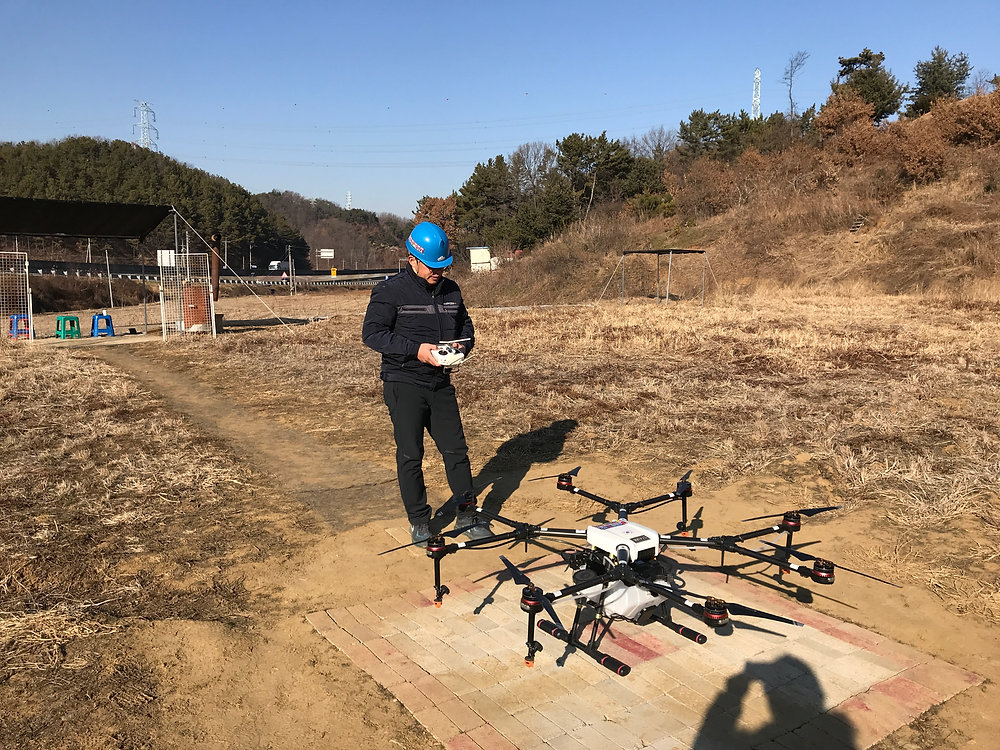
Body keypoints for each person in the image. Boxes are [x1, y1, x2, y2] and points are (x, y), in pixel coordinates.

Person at [362, 221, 490, 547]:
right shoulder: (390, 291)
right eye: (432, 266)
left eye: (442, 266)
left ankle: (467, 515)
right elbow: (373, 334)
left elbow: (466, 328)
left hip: (440, 382)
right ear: (412, 259)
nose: (438, 272)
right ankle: (419, 521)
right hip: (403, 382)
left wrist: (461, 346)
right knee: (411, 454)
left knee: (456, 450)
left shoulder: (451, 291)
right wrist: (416, 350)